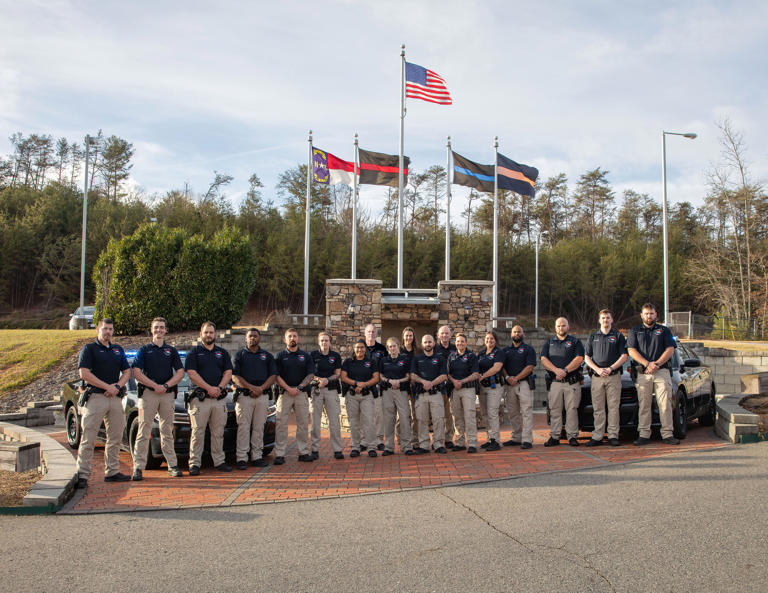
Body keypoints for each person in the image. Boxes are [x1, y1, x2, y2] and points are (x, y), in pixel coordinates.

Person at [74, 318, 131, 488]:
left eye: (111, 329)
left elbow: (127, 371)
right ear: (98, 330)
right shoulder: (89, 349)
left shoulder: (117, 350)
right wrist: (107, 387)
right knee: (89, 437)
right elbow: (84, 373)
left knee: (115, 437)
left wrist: (117, 387)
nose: (108, 332)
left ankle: (112, 472)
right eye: (105, 328)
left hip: (114, 399)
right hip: (96, 398)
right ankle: (82, 475)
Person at [131, 317, 185, 480]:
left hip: (167, 395)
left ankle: (172, 465)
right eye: (156, 327)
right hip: (149, 394)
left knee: (167, 430)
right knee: (144, 430)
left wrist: (166, 386)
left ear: (166, 330)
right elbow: (136, 372)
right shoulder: (144, 350)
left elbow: (180, 372)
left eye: (162, 327)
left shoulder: (171, 351)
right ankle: (138, 467)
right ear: (151, 329)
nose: (159, 330)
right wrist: (155, 386)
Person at [184, 321, 234, 474]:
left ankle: (219, 461)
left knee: (218, 432)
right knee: (197, 432)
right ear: (201, 334)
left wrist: (219, 388)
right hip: (201, 399)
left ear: (215, 335)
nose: (209, 335)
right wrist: (209, 388)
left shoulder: (222, 353)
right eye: (206, 332)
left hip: (218, 399)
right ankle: (194, 464)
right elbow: (192, 373)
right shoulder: (194, 353)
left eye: (211, 332)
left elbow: (228, 373)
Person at [627, 303, 680, 446]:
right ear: (641, 315)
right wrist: (647, 364)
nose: (649, 316)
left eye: (651, 313)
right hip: (643, 372)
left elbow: (670, 349)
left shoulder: (664, 331)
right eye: (646, 313)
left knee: (665, 404)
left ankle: (667, 434)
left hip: (661, 371)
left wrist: (656, 364)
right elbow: (631, 351)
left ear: (656, 314)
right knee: (644, 405)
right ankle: (644, 434)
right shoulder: (634, 331)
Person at [232, 328, 277, 469]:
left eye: (255, 336)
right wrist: (251, 388)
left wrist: (261, 388)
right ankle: (241, 458)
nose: (253, 338)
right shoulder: (239, 355)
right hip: (244, 397)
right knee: (243, 428)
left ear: (259, 338)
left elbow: (273, 376)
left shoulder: (267, 356)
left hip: (262, 396)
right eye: (250, 336)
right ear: (245, 338)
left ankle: (257, 456)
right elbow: (235, 377)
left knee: (259, 428)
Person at [584, 309, 628, 447]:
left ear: (612, 320)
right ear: (599, 320)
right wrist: (597, 369)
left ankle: (613, 436)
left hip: (613, 376)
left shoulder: (618, 336)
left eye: (608, 318)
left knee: (613, 407)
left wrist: (610, 368)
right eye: (603, 318)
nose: (605, 320)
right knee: (598, 408)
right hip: (597, 377)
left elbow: (624, 356)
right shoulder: (592, 337)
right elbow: (586, 357)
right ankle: (597, 436)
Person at [541, 317, 585, 447]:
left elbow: (579, 358)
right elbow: (543, 359)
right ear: (555, 327)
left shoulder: (575, 342)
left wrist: (565, 370)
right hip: (555, 382)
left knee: (572, 409)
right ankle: (555, 436)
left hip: (571, 383)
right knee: (555, 410)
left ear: (568, 326)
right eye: (559, 326)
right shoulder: (549, 343)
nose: (561, 328)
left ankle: (572, 436)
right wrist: (556, 370)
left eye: (563, 325)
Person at [274, 328, 316, 464]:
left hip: (301, 393)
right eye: (290, 336)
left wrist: (299, 387)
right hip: (284, 394)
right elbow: (276, 376)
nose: (292, 338)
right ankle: (279, 454)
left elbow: (310, 375)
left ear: (299, 339)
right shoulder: (279, 356)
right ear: (284, 339)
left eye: (295, 336)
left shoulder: (306, 356)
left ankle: (303, 452)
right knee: (281, 425)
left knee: (303, 424)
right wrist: (288, 388)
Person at [341, 339, 381, 457]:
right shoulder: (348, 362)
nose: (360, 349)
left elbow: (376, 378)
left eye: (362, 347)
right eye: (357, 347)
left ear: (365, 349)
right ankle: (355, 447)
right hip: (352, 395)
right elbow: (343, 377)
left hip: (366, 395)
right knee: (354, 423)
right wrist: (356, 383)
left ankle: (371, 447)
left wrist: (363, 384)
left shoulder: (371, 362)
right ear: (353, 349)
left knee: (369, 421)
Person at [410, 334, 449, 454]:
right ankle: (424, 445)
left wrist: (431, 383)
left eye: (430, 342)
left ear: (434, 343)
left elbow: (444, 375)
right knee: (421, 420)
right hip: (421, 395)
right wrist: (423, 382)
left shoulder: (440, 359)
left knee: (438, 419)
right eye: (425, 342)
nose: (428, 344)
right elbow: (412, 375)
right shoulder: (417, 359)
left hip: (436, 394)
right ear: (422, 344)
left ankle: (438, 444)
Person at [310, 332, 344, 460]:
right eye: (322, 340)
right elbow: (309, 373)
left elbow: (338, 373)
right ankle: (314, 450)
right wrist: (319, 379)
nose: (324, 343)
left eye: (326, 340)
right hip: (316, 390)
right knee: (315, 422)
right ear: (319, 342)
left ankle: (337, 450)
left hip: (331, 390)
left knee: (334, 421)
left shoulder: (335, 356)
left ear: (330, 342)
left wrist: (327, 380)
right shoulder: (313, 355)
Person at [502, 325, 536, 450]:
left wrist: (516, 378)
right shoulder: (506, 350)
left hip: (523, 384)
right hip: (509, 385)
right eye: (514, 332)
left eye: (519, 332)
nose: (517, 333)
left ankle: (527, 439)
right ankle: (516, 438)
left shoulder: (528, 349)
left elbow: (530, 367)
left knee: (526, 412)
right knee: (513, 413)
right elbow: (502, 367)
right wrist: (507, 378)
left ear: (523, 334)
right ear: (511, 334)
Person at [378, 337, 414, 456]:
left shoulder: (405, 359)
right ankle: (389, 447)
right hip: (387, 391)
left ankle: (407, 446)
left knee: (404, 418)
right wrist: (389, 381)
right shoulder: (383, 360)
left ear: (399, 347)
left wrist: (398, 381)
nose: (392, 348)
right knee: (389, 419)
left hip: (401, 391)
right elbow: (381, 376)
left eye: (394, 346)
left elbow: (408, 376)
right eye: (390, 346)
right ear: (387, 348)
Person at [446, 333, 480, 453]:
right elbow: (448, 374)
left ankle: (472, 443)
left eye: (462, 341)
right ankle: (460, 442)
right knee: (457, 417)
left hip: (468, 390)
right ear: (455, 343)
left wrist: (462, 381)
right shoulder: (451, 356)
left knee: (469, 416)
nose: (460, 343)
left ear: (466, 343)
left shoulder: (471, 356)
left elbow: (476, 374)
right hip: (455, 390)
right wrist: (454, 381)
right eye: (458, 341)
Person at [477, 331, 505, 451]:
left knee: (492, 412)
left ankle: (495, 441)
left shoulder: (499, 352)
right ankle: (489, 439)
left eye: (492, 339)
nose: (489, 341)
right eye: (487, 339)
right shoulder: (481, 353)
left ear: (495, 340)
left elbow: (497, 367)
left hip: (495, 386)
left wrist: (482, 376)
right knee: (484, 413)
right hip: (483, 387)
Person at [364, 323, 387, 451]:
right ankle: (364, 441)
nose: (371, 334)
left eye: (373, 332)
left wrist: (381, 382)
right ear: (365, 333)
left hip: (378, 388)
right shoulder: (360, 348)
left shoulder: (382, 349)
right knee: (364, 416)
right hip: (363, 388)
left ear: (377, 334)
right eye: (369, 332)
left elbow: (385, 367)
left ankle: (379, 440)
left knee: (379, 415)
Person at [434, 325, 457, 448]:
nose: (444, 335)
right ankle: (437, 439)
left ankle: (448, 438)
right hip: (438, 387)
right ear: (438, 335)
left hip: (452, 387)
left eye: (446, 333)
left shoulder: (455, 348)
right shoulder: (434, 348)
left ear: (450, 335)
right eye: (442, 333)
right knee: (437, 415)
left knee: (449, 414)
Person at [398, 326, 420, 450]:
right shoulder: (399, 350)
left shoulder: (418, 351)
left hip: (415, 387)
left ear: (413, 337)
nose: (408, 338)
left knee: (416, 415)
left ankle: (415, 440)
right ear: (403, 337)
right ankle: (401, 441)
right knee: (402, 415)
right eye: (406, 335)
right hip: (402, 387)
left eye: (410, 335)